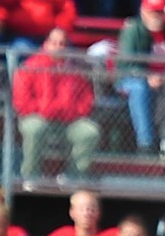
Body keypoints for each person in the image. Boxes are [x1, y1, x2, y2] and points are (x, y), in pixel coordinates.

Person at [14, 27, 101, 180]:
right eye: (53, 42)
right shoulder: (30, 67)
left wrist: (69, 111)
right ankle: (30, 177)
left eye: (62, 43)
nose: (58, 47)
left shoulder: (75, 69)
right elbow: (21, 102)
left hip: (68, 120)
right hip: (37, 117)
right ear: (46, 44)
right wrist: (46, 109)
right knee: (35, 130)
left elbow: (86, 100)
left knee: (89, 132)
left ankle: (74, 178)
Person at [117, 0, 165, 155]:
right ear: (143, 10)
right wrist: (147, 76)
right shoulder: (133, 30)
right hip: (131, 79)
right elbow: (127, 63)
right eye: (153, 11)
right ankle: (146, 144)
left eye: (160, 12)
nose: (157, 16)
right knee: (140, 88)